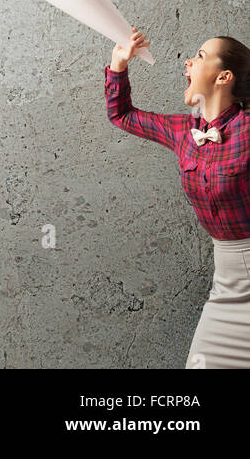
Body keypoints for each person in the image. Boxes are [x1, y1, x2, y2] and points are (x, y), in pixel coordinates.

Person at [105, 27, 250, 367]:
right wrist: (118, 64)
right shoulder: (184, 132)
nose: (188, 61)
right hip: (228, 282)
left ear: (224, 76)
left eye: (200, 56)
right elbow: (121, 114)